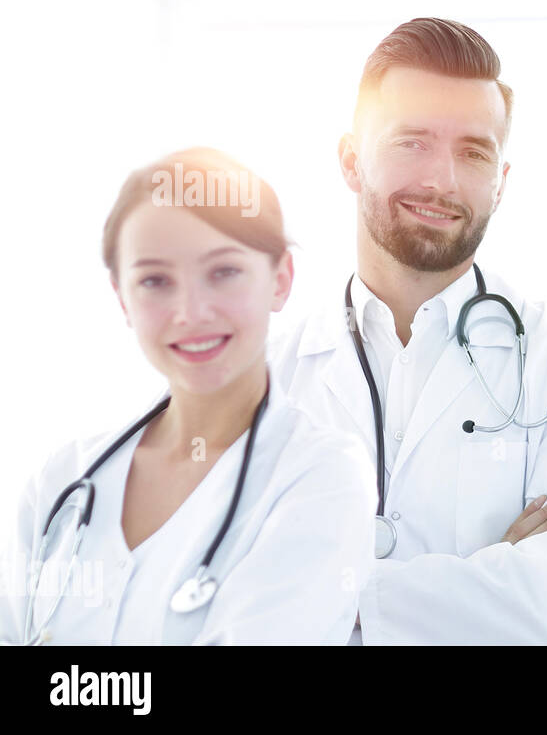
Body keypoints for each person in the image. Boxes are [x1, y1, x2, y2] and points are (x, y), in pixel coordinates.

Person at [269, 17, 547, 643]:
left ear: (501, 182)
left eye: (473, 152)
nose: (442, 180)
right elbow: (217, 597)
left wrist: (328, 593)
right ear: (350, 160)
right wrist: (489, 578)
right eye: (411, 142)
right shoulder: (265, 379)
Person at [0, 148, 373, 645]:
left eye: (223, 273)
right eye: (155, 281)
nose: (190, 311)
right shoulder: (63, 479)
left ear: (280, 280)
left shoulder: (322, 475)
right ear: (122, 298)